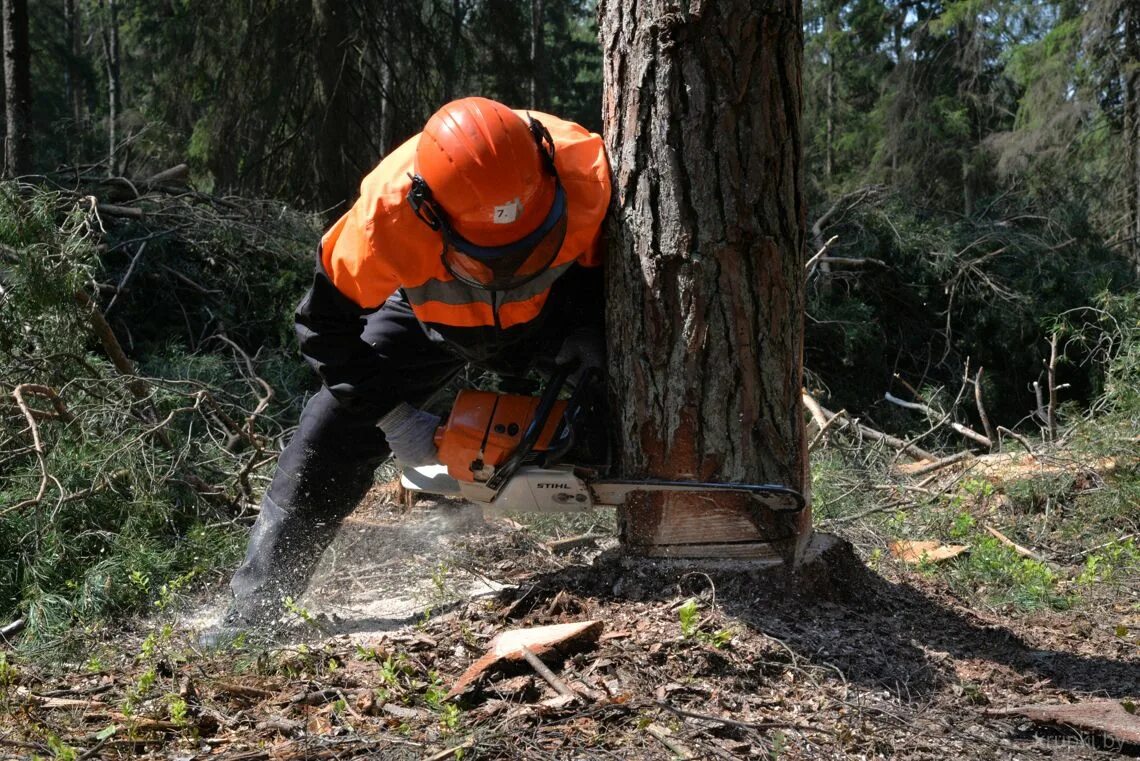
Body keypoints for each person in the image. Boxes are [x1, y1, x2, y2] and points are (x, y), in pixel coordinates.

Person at [212, 97, 612, 637]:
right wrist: (393, 417)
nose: (510, 265)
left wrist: (590, 324)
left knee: (616, 406)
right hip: (436, 318)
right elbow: (322, 326)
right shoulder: (386, 213)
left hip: (552, 315)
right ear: (430, 212)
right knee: (331, 429)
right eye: (491, 256)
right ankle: (254, 611)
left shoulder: (587, 169)